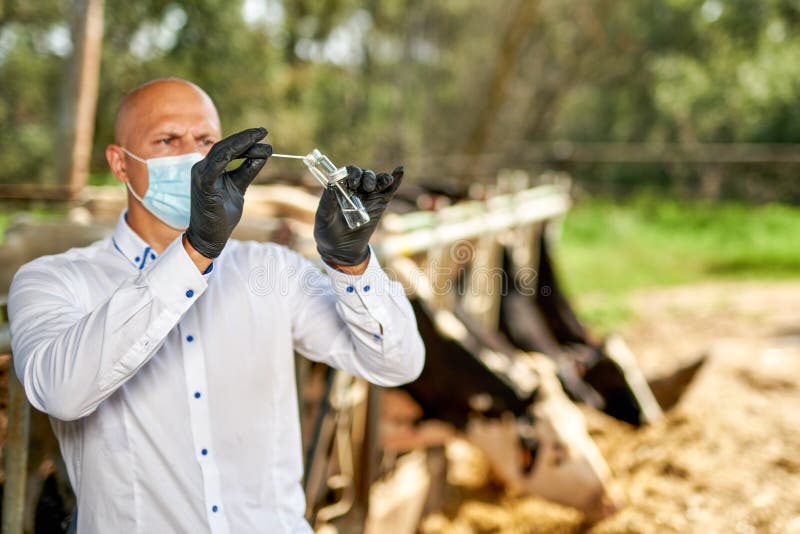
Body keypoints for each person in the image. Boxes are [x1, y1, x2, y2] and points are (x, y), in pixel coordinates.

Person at [8, 78, 425, 533]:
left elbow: (397, 363)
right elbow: (61, 393)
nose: (193, 156)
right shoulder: (53, 280)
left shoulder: (271, 269)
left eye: (206, 140)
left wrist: (353, 265)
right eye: (167, 140)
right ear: (120, 163)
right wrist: (195, 251)